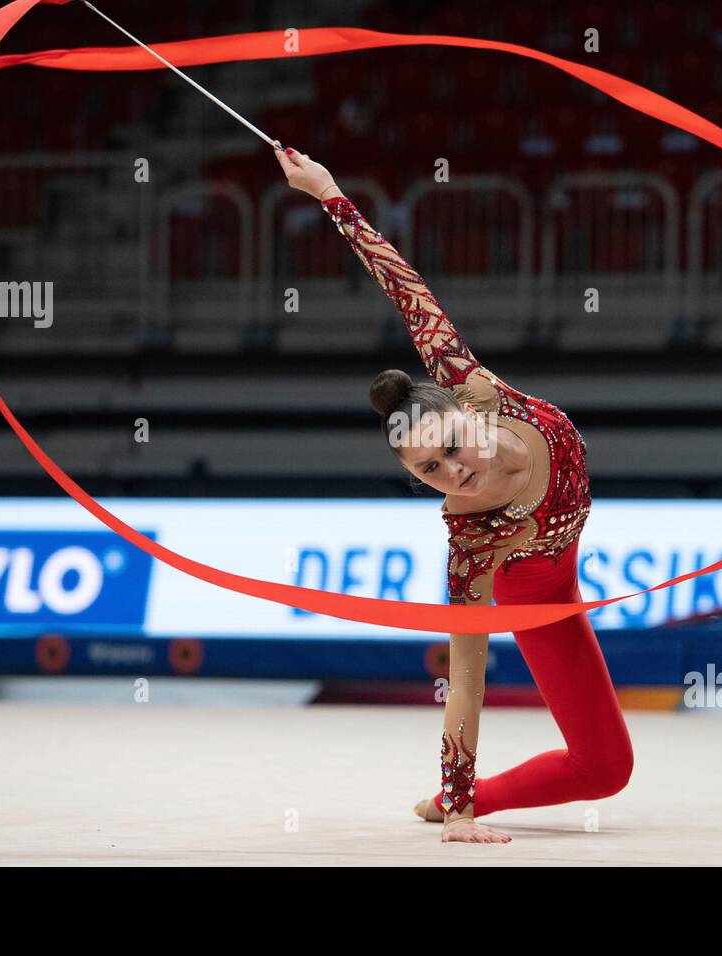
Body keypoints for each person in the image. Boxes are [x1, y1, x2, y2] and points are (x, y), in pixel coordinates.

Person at [273, 146, 634, 844]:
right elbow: (464, 682)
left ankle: (453, 799)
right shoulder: (472, 541)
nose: (453, 471)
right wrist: (463, 807)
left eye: (450, 446)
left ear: (469, 411)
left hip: (567, 575)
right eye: (431, 470)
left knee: (605, 767)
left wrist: (329, 192)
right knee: (605, 771)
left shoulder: (476, 384)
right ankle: (449, 800)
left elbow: (404, 286)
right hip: (540, 607)